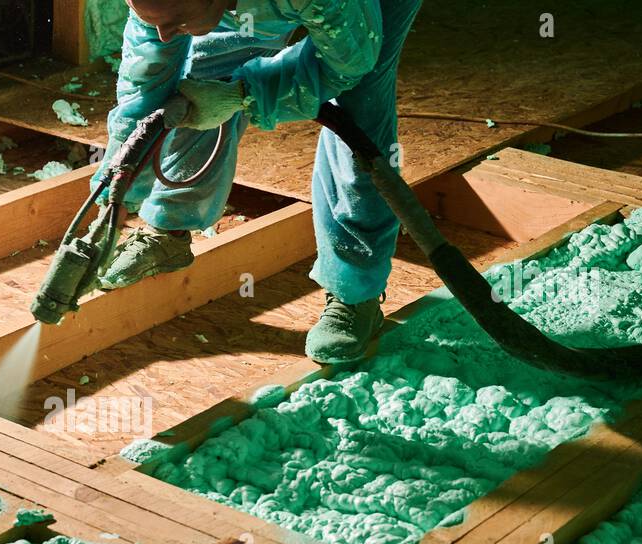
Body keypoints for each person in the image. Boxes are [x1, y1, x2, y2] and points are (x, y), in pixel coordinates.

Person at [93, 0, 422, 363]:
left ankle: (355, 292)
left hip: (356, 16)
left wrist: (241, 95)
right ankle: (169, 229)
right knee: (202, 66)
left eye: (175, 19)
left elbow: (347, 67)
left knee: (358, 107)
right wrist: (120, 178)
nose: (164, 32)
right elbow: (148, 69)